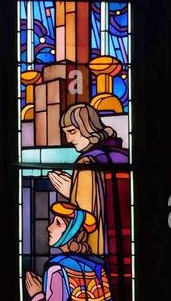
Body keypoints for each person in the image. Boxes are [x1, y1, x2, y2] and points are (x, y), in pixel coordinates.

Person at [48, 103, 129, 263]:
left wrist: (71, 192)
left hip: (101, 253)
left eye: (72, 131)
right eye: (66, 133)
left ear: (89, 127)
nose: (69, 139)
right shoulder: (124, 156)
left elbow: (87, 221)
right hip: (126, 243)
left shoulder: (87, 162)